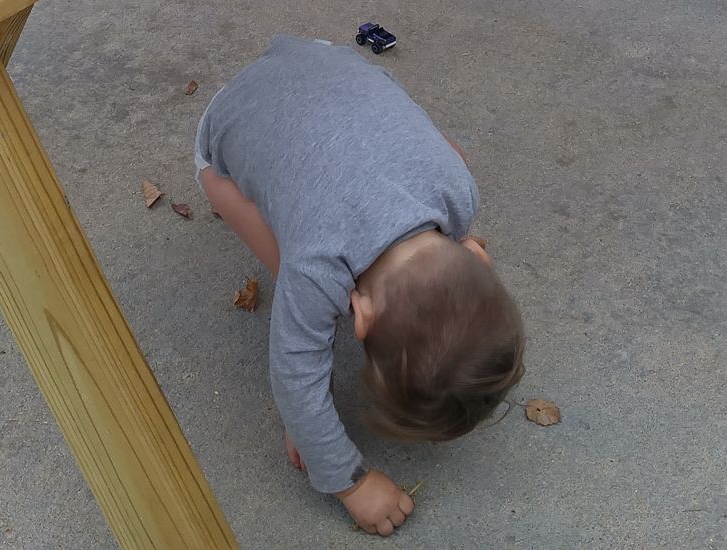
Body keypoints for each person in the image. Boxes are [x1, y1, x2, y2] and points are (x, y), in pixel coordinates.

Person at [195, 35, 525, 536]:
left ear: (478, 255)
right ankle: (223, 185)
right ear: (359, 318)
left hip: (319, 55)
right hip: (226, 116)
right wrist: (349, 481)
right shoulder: (316, 266)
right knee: (287, 264)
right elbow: (295, 375)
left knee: (441, 150)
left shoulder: (457, 186)